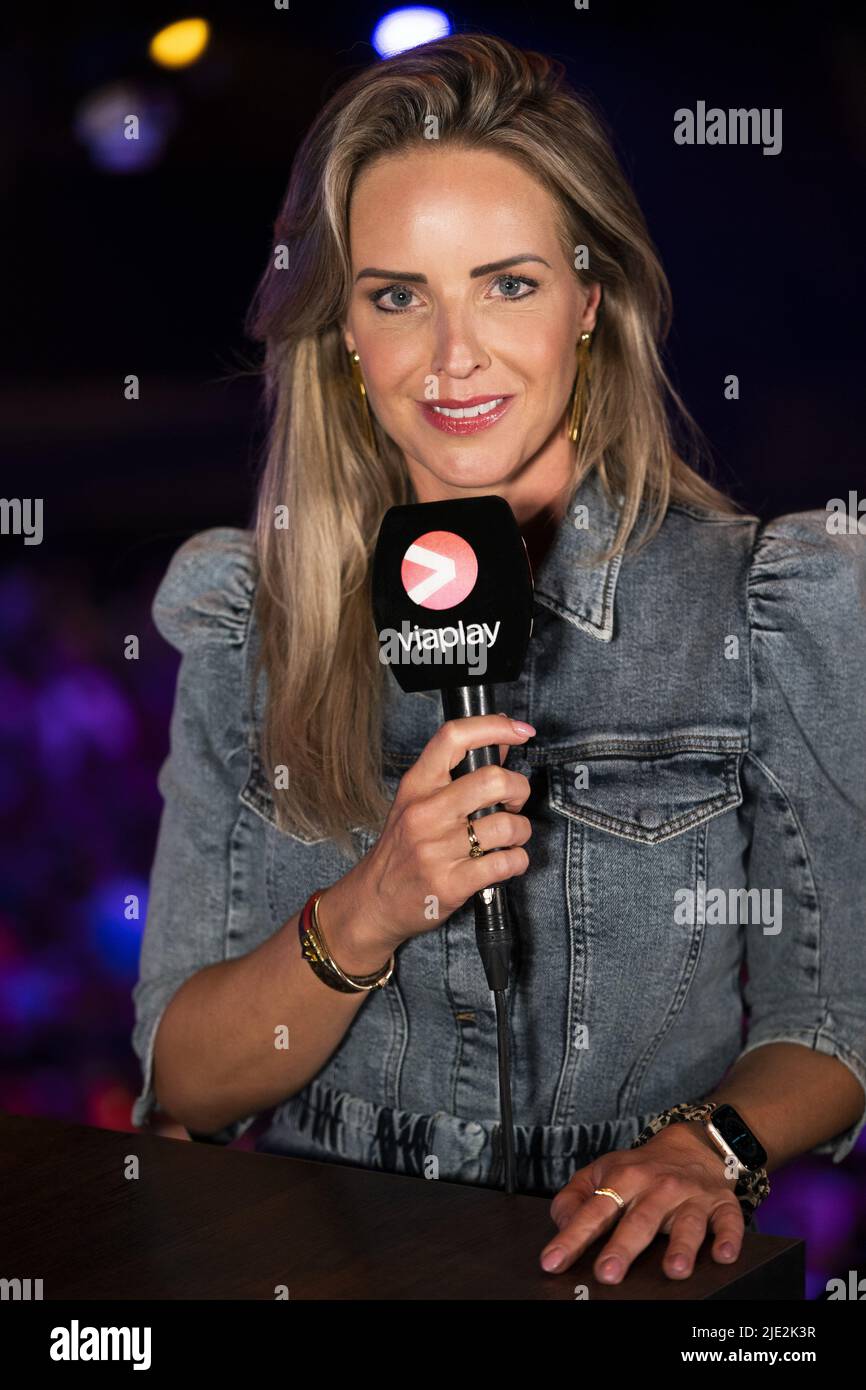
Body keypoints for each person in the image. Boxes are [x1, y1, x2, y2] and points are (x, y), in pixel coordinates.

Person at [131, 33, 866, 1286]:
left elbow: (835, 1017)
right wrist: (371, 905)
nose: (452, 355)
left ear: (591, 300)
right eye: (397, 294)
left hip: (632, 1269)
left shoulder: (776, 598)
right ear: (344, 333)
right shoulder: (249, 612)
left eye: (507, 284)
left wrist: (708, 1146)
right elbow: (185, 1081)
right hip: (314, 1256)